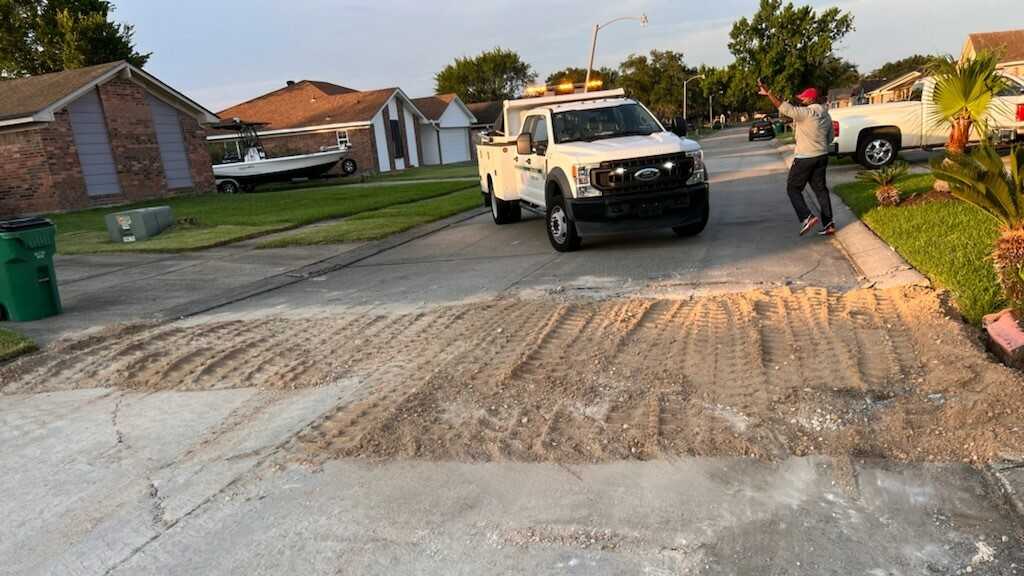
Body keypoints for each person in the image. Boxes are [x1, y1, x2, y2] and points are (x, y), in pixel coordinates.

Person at [758, 81, 836, 236]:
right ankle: (829, 224)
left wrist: (769, 94)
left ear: (810, 100)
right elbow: (831, 138)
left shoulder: (806, 113)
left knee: (793, 188)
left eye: (803, 98)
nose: (801, 100)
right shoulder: (826, 115)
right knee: (821, 190)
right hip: (821, 156)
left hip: (805, 158)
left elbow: (783, 107)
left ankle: (807, 217)